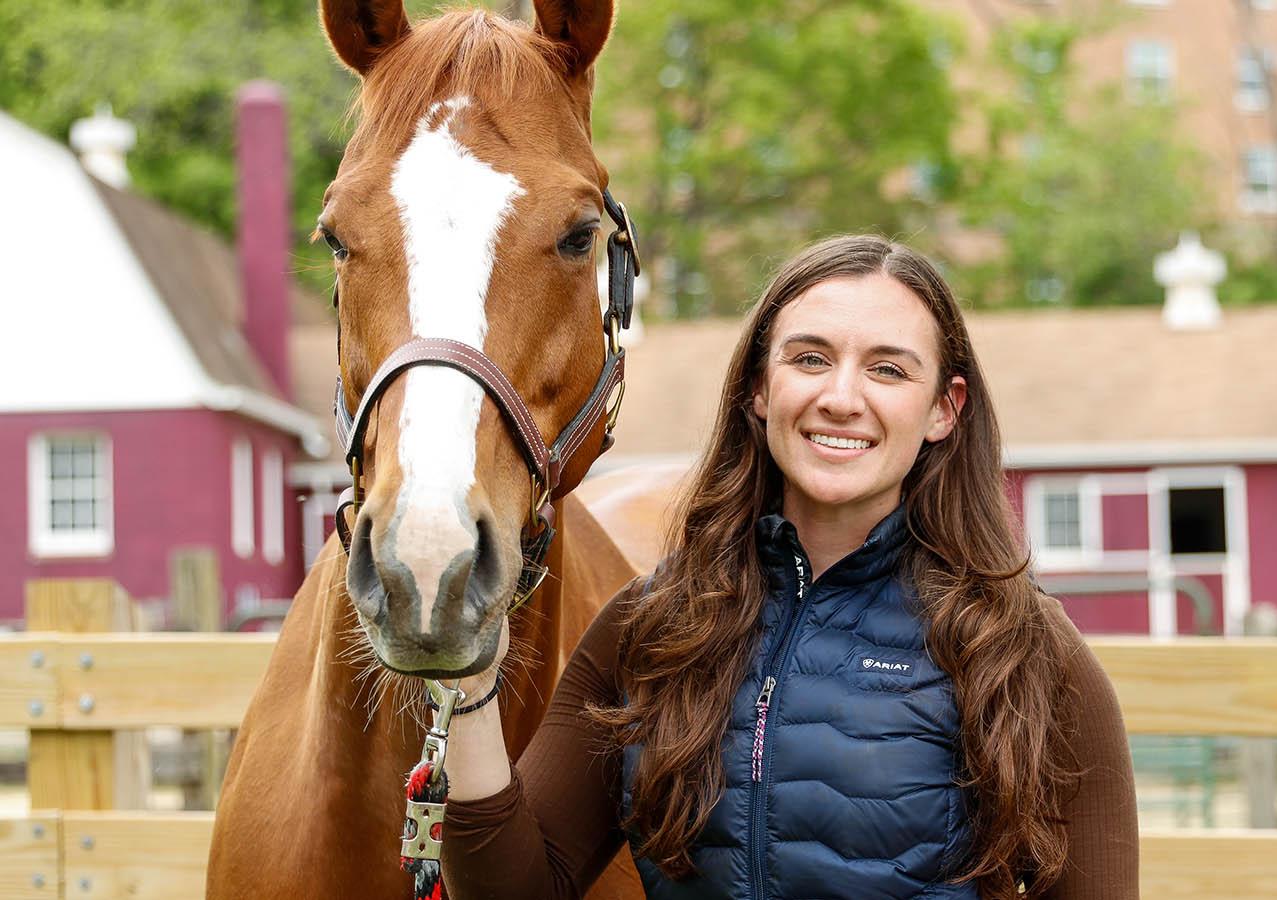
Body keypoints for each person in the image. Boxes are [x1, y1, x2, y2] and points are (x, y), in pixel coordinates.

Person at [440, 235, 1139, 899]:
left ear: (942, 410)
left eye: (888, 369)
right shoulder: (651, 627)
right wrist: (470, 691)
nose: (841, 397)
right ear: (759, 388)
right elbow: (519, 889)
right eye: (809, 359)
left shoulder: (1018, 645)